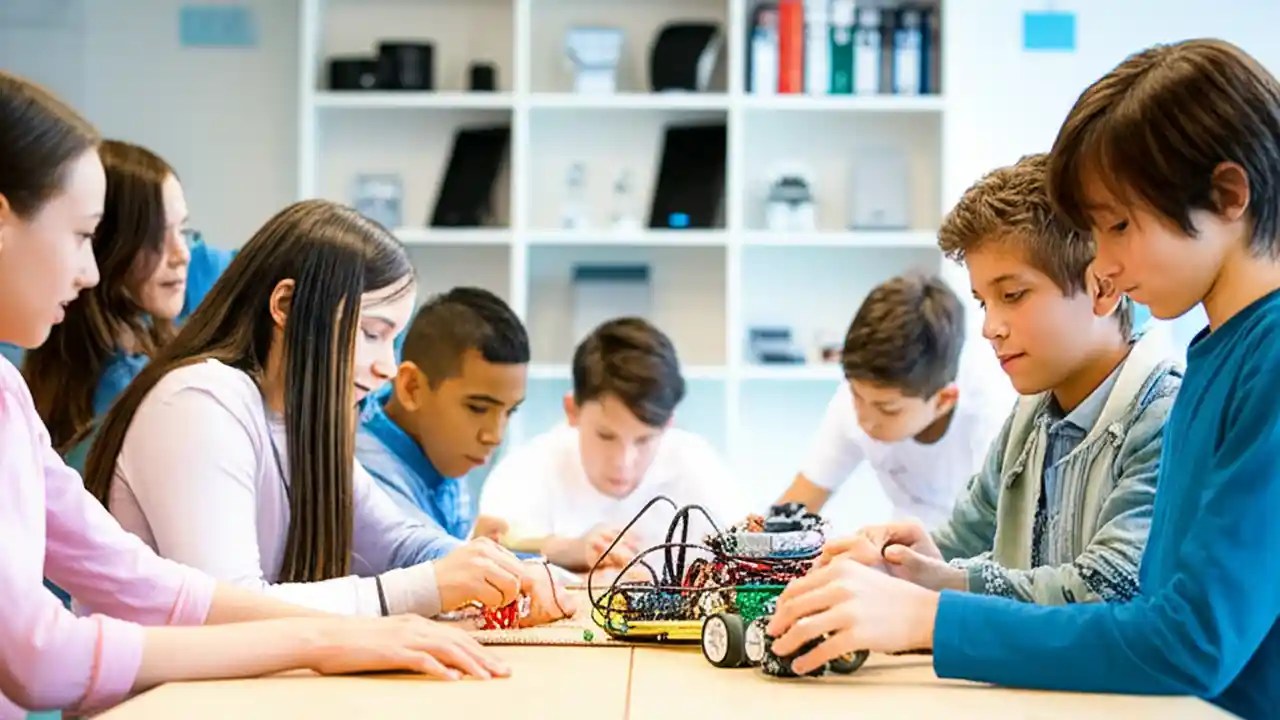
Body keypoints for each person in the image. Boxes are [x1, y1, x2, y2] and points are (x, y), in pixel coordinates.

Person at [763, 39, 1280, 720]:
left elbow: (1190, 641)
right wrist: (931, 589)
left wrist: (929, 620)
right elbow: (1159, 617)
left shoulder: (1260, 359)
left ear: (1227, 194)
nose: (1107, 262)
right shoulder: (1224, 351)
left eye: (1119, 225)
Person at [0, 70, 508, 718]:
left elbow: (152, 584)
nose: (90, 271)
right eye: (80, 236)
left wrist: (492, 576)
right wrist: (339, 629)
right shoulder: (200, 400)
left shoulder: (7, 391)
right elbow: (45, 658)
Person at [81, 199, 570, 624]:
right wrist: (430, 587)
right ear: (287, 306)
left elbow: (401, 544)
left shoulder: (299, 423)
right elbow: (229, 609)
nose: (387, 368)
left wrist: (508, 573)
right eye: (372, 334)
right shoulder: (199, 402)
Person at [824, 153, 1180, 604]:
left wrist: (944, 583)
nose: (991, 327)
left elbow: (1107, 587)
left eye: (1012, 295)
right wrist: (905, 561)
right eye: (983, 302)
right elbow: (966, 539)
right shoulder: (1031, 413)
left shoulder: (1164, 416)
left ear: (1102, 289)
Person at [478, 317, 746, 572]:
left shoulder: (699, 467)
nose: (623, 461)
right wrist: (571, 550)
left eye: (644, 440)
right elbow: (487, 553)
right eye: (606, 436)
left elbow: (753, 556)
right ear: (573, 410)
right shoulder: (525, 472)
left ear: (668, 425)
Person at [772, 274, 1013, 529]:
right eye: (856, 396)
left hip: (973, 552)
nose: (865, 419)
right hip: (900, 545)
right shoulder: (863, 394)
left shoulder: (991, 418)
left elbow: (999, 540)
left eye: (887, 410)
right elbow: (801, 500)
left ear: (943, 400)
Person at [24, 140, 195, 464]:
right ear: (108, 244)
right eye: (156, 236)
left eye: (183, 231)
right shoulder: (126, 389)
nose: (181, 254)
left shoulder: (62, 367)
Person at [357, 287, 528, 543]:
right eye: (478, 408)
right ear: (411, 388)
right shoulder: (363, 471)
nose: (494, 436)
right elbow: (443, 564)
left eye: (509, 411)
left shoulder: (439, 449)